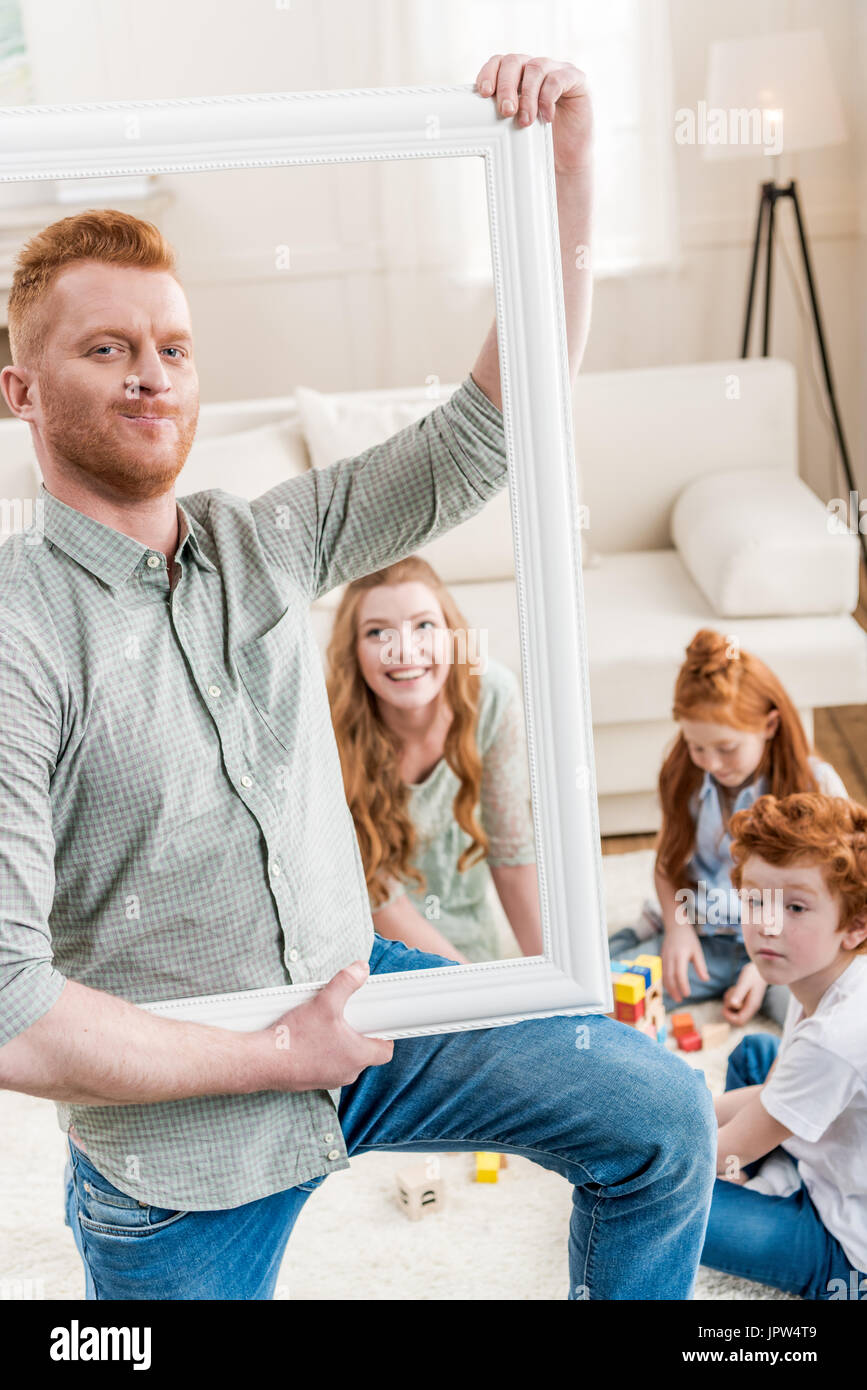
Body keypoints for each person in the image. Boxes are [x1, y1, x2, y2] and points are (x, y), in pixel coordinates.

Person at [0, 53, 716, 1301]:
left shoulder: (256, 540)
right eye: (106, 346)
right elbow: (10, 1006)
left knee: (661, 1117)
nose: (151, 371)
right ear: (19, 390)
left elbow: (491, 432)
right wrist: (279, 1051)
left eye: (172, 345)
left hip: (363, 1002)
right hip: (181, 1147)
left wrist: (565, 176)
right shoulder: (18, 630)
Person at [608, 628, 848, 1028]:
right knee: (604, 991)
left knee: (826, 1022)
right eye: (697, 747)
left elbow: (838, 894)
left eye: (727, 748)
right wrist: (678, 930)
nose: (712, 763)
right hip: (705, 939)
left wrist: (763, 965)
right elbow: (667, 861)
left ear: (770, 725)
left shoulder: (816, 786)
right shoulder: (684, 777)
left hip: (787, 949)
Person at [326, 554, 541, 964]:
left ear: (452, 635)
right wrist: (474, 990)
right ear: (353, 651)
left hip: (470, 938)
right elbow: (379, 896)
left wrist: (558, 986)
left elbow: (512, 856)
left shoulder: (492, 695)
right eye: (377, 632)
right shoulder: (331, 724)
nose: (404, 650)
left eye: (424, 625)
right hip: (371, 949)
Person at [701, 792, 867, 1300]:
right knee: (753, 1053)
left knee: (652, 1198)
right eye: (755, 901)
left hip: (848, 1247)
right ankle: (768, 1172)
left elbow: (720, 1147)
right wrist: (684, 1114)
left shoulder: (838, 1034)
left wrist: (630, 1142)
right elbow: (771, 1092)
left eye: (795, 907)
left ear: (856, 925)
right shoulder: (818, 974)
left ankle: (766, 1176)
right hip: (826, 1156)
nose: (767, 925)